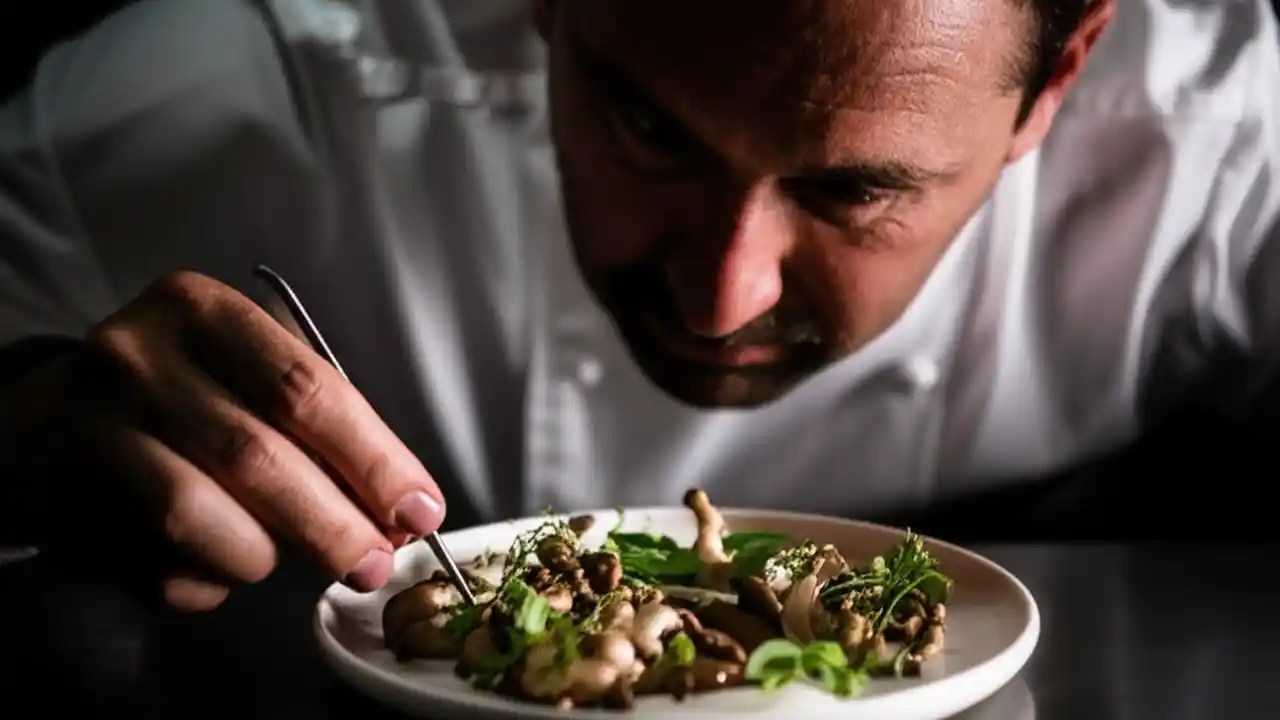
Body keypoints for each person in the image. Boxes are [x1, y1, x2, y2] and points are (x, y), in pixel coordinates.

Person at [0, 0, 1276, 612]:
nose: (723, 298)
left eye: (850, 190)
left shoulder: (1225, 153)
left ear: (1054, 80)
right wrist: (25, 428)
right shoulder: (252, 86)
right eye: (649, 128)